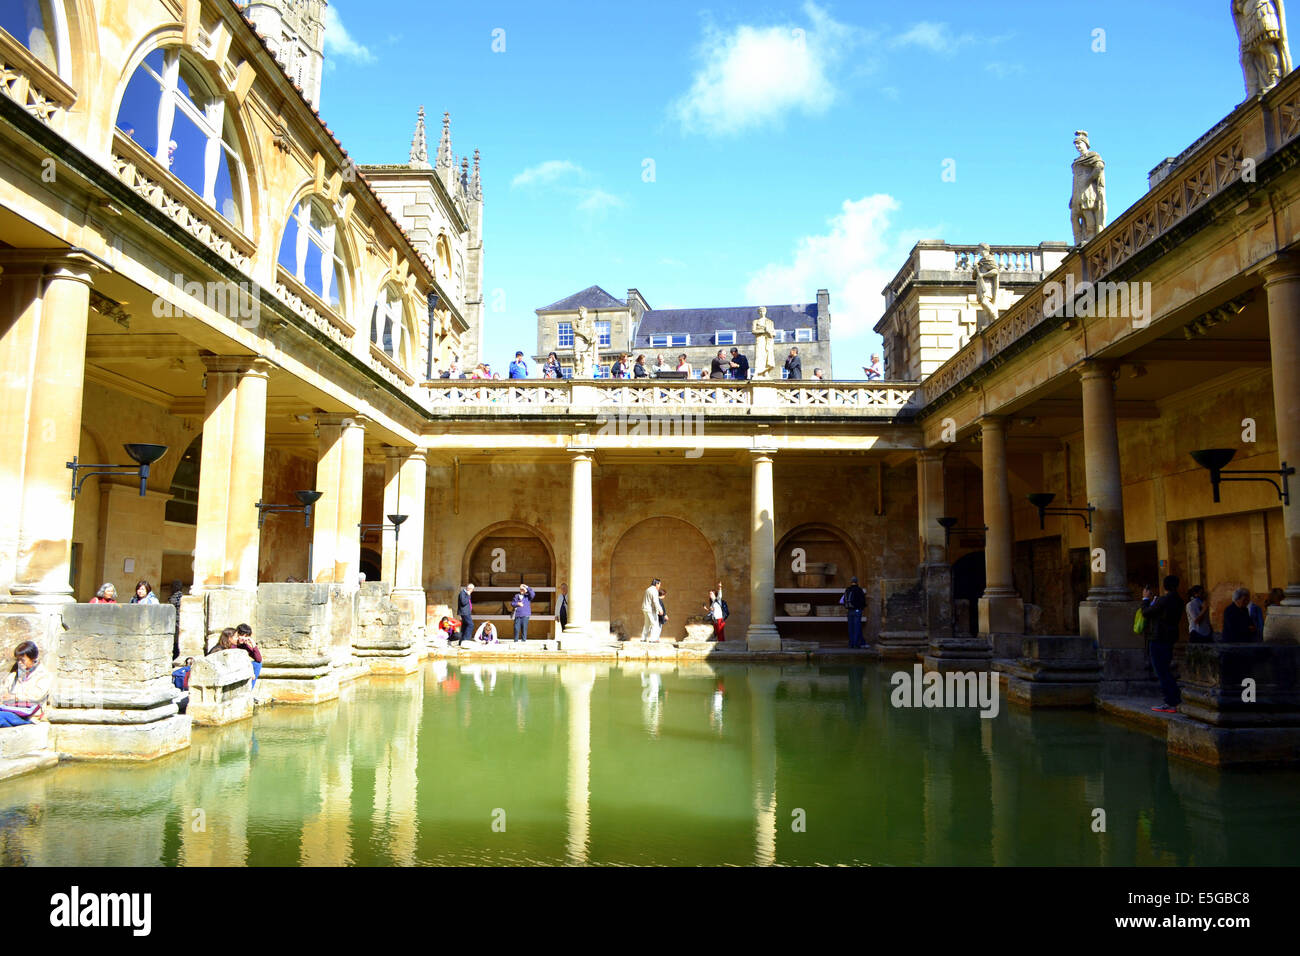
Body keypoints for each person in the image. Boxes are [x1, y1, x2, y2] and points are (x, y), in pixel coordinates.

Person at [1140, 576, 1184, 713]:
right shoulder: (1179, 600)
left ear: (1164, 586)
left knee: (1161, 671)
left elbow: (1145, 612)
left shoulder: (1163, 600)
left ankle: (1171, 702)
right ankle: (1175, 699)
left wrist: (1145, 599)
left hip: (1158, 638)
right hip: (1170, 637)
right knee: (1165, 670)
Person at [0, 641, 52, 727]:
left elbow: (36, 697)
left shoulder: (43, 675)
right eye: (18, 660)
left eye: (22, 660)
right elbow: (5, 691)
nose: (19, 662)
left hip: (28, 715)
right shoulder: (14, 676)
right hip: (11, 710)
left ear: (33, 658)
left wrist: (16, 697)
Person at [842, 576, 867, 649]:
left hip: (849, 611)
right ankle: (856, 644)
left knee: (851, 628)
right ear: (857, 582)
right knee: (857, 627)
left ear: (851, 582)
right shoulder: (859, 590)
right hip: (857, 610)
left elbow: (843, 600)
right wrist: (862, 608)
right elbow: (862, 601)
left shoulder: (847, 590)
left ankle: (851, 643)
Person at [642, 578, 664, 642]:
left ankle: (643, 638)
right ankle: (653, 639)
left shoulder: (648, 589)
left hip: (645, 608)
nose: (659, 586)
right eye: (659, 584)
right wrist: (660, 609)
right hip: (651, 609)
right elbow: (655, 601)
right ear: (656, 584)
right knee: (655, 624)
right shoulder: (654, 590)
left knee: (647, 624)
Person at [456, 583, 475, 648]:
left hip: (467, 612)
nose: (472, 591)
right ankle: (466, 640)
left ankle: (461, 641)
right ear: (469, 588)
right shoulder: (463, 593)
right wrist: (468, 595)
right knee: (470, 625)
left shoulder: (465, 594)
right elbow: (463, 602)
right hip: (464, 613)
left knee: (464, 626)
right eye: (472, 589)